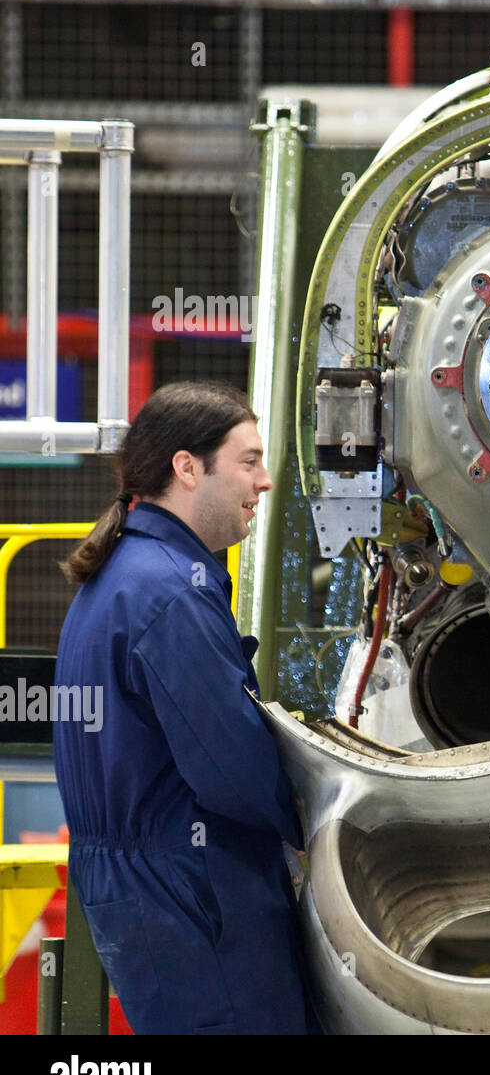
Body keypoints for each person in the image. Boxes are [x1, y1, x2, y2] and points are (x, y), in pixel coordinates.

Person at [53, 381, 316, 1034]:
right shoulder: (170, 593)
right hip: (195, 894)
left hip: (149, 887)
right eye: (249, 462)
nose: (263, 483)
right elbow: (234, 771)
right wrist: (323, 821)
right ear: (187, 467)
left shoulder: (126, 572)